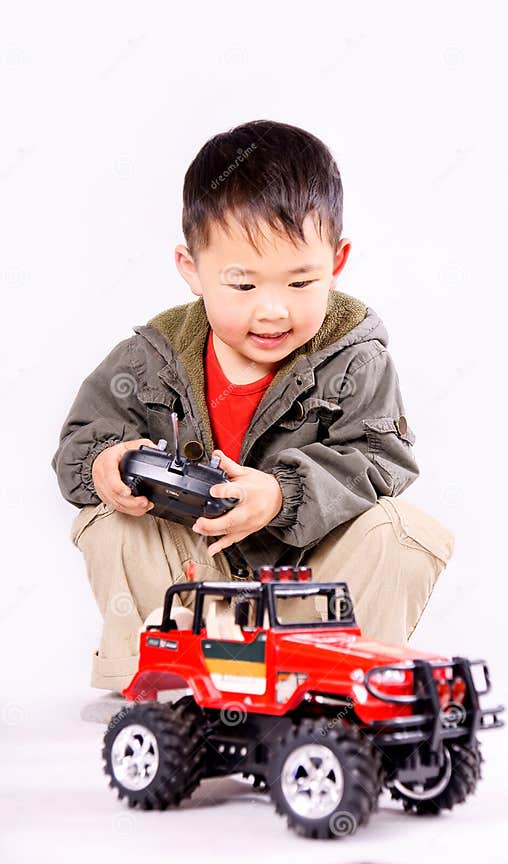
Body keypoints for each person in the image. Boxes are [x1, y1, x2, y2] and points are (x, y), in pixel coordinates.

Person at [52, 119, 455, 694]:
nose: (271, 312)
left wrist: (284, 495)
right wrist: (108, 466)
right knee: (106, 518)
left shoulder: (355, 361)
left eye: (300, 284)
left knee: (401, 530)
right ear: (191, 269)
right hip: (192, 587)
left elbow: (381, 460)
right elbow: (77, 448)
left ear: (336, 264)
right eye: (242, 286)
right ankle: (161, 682)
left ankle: (338, 683)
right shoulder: (147, 361)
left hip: (307, 589)